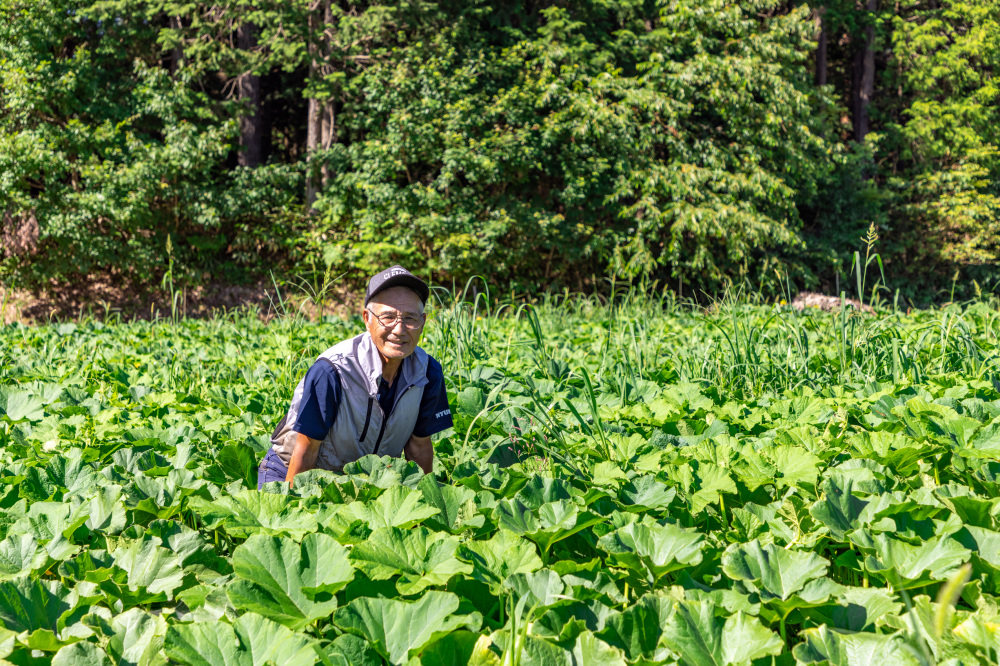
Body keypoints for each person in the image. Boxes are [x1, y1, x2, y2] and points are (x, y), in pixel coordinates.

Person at [257, 266, 453, 488]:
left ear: (423, 322)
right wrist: (293, 508)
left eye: (410, 318)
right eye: (388, 317)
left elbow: (419, 447)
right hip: (291, 471)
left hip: (362, 483)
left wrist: (426, 506)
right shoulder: (333, 371)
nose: (399, 329)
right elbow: (307, 448)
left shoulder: (427, 373)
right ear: (367, 319)